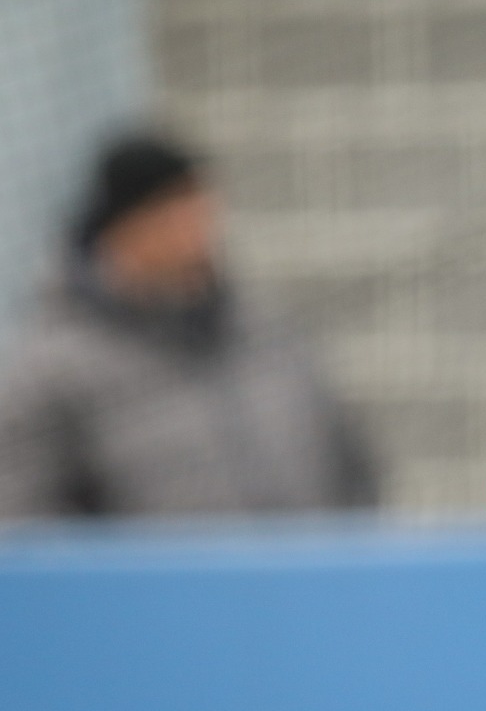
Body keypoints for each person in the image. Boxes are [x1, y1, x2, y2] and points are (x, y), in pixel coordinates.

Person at [0, 128, 375, 518]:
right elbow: (25, 521)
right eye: (173, 209)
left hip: (304, 575)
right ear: (125, 223)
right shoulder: (53, 372)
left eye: (201, 205)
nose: (197, 228)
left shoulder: (266, 334)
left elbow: (351, 469)